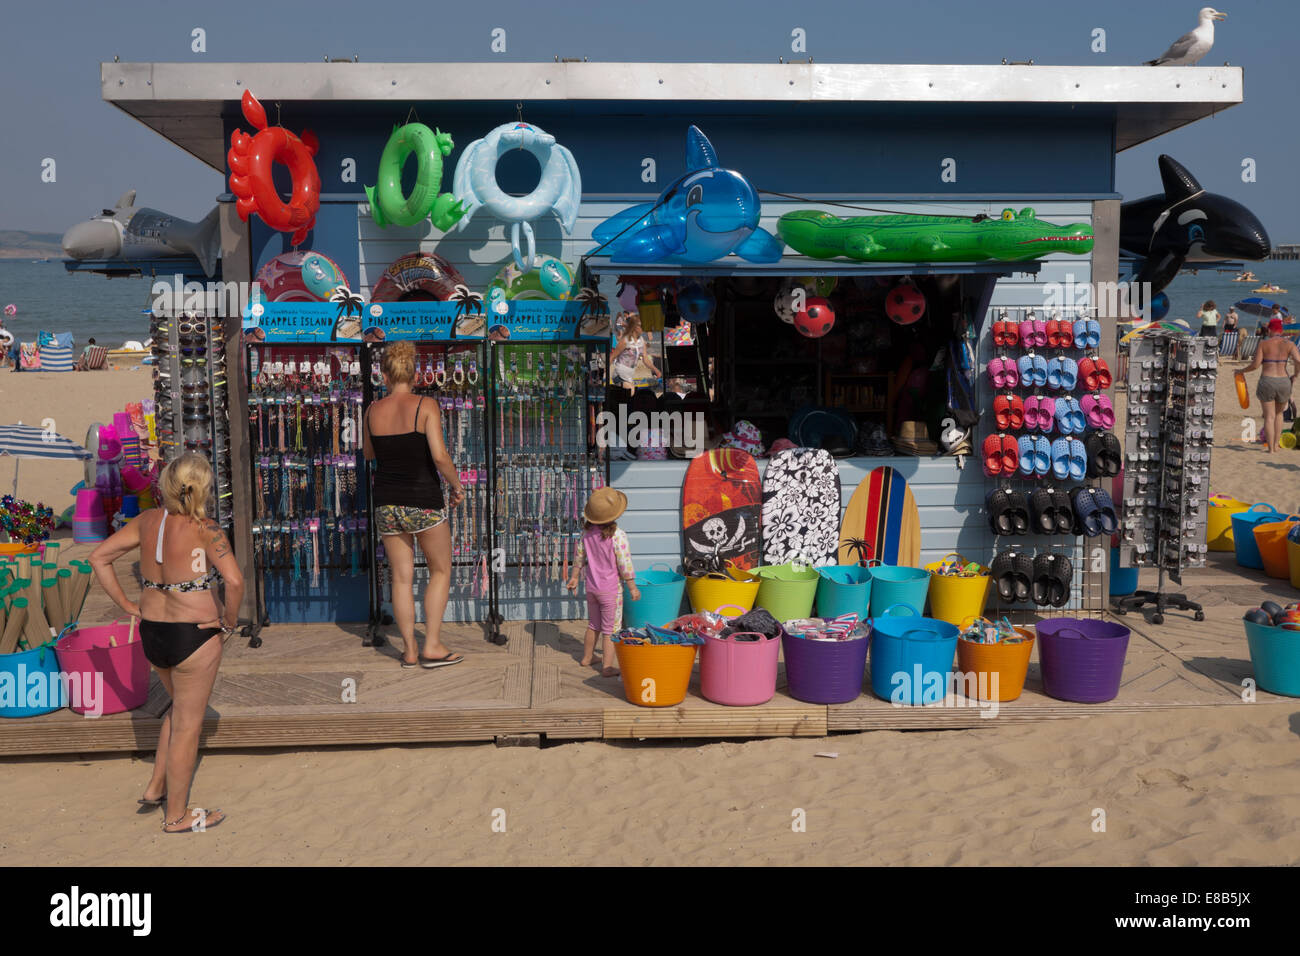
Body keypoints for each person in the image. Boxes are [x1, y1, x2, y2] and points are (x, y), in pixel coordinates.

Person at [88, 452, 243, 833]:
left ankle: (156, 786)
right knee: (189, 725)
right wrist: (229, 621)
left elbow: (99, 557)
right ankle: (176, 816)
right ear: (204, 487)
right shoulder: (206, 529)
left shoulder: (147, 521)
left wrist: (127, 604)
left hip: (154, 631)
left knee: (178, 709)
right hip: (194, 634)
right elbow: (235, 581)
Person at [362, 341, 465, 669]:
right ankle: (431, 645)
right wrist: (457, 485)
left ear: (384, 375)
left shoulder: (371, 411)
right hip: (423, 501)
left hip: (386, 502)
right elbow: (440, 456)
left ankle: (408, 651)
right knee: (440, 570)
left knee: (401, 578)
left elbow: (368, 454)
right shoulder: (426, 406)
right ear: (416, 374)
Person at [566, 487, 639, 677]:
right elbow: (624, 564)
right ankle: (607, 667)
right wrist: (632, 587)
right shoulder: (618, 535)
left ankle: (587, 657)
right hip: (610, 591)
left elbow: (579, 558)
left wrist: (574, 577)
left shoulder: (586, 534)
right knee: (611, 630)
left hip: (591, 588)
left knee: (593, 625)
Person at [1243, 317, 1300, 453]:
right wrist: (1296, 375)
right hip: (1283, 381)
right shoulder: (1290, 344)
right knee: (1279, 414)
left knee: (1269, 417)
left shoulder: (1263, 343)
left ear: (1269, 330)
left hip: (1267, 380)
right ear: (1281, 330)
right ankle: (1276, 445)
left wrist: (1241, 371)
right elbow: (1298, 360)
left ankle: (1270, 450)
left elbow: (1255, 365)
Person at [611, 312, 661, 395]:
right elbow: (612, 356)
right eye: (641, 326)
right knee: (631, 390)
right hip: (619, 375)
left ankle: (621, 403)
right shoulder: (625, 340)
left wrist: (656, 370)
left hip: (629, 376)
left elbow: (645, 359)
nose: (643, 328)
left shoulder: (641, 341)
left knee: (627, 398)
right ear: (634, 327)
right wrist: (604, 372)